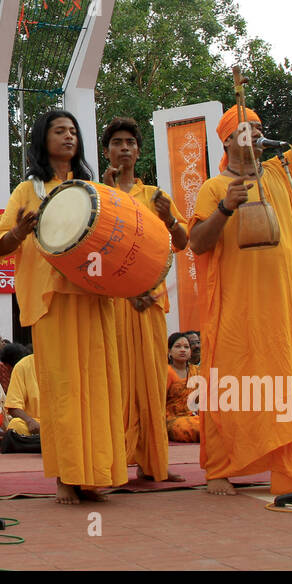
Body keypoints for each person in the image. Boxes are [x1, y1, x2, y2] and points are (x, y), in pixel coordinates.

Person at [187, 46, 292, 496]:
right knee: (236, 382)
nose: (256, 135)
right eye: (246, 129)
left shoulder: (282, 171)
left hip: (290, 306)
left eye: (260, 129)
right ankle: (221, 469)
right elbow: (197, 244)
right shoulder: (214, 186)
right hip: (241, 311)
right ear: (226, 141)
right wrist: (225, 208)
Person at [0, 109, 126, 504]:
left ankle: (98, 471)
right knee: (63, 391)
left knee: (98, 388)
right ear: (42, 139)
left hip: (92, 296)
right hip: (50, 301)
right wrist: (18, 232)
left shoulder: (93, 188)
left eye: (73, 131)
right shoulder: (27, 191)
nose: (69, 137)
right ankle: (67, 474)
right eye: (59, 131)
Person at [102, 115, 189, 482]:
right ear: (107, 151)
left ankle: (155, 464)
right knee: (115, 382)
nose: (124, 148)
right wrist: (108, 194)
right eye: (117, 142)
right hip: (110, 301)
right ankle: (114, 463)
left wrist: (170, 220)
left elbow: (184, 243)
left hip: (149, 300)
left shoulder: (156, 196)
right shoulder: (98, 192)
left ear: (138, 151)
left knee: (153, 382)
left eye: (130, 143)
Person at [165, 333, 200, 442]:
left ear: (190, 352)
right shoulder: (166, 372)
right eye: (178, 346)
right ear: (169, 351)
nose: (182, 350)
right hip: (173, 420)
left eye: (186, 347)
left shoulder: (196, 371)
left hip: (193, 416)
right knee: (191, 428)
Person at [4, 350, 41, 437]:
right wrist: (30, 421)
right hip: (37, 425)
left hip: (66, 424)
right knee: (16, 425)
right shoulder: (23, 366)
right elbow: (13, 407)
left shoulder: (70, 362)